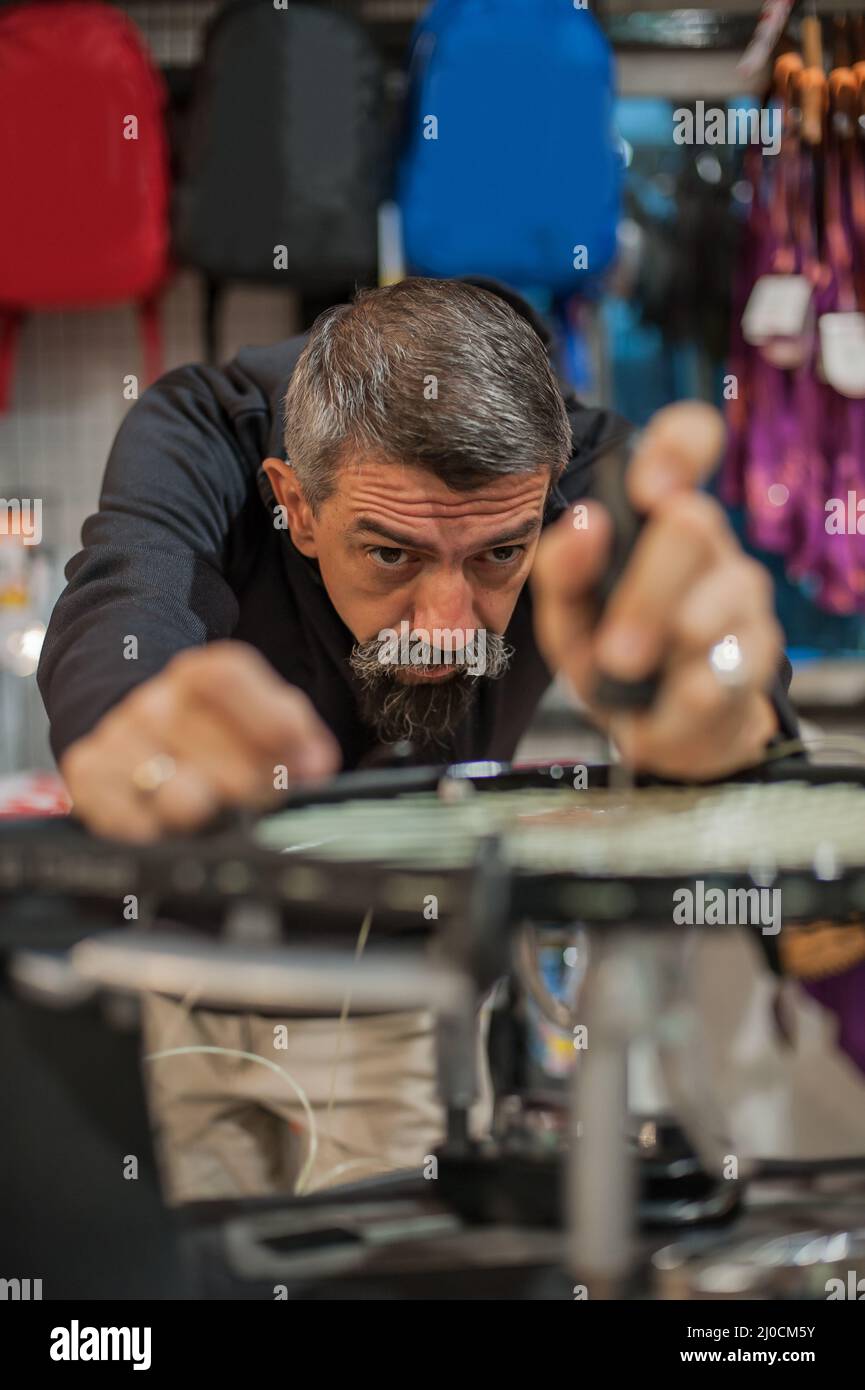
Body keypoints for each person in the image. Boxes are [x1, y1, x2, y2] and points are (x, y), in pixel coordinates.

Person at [38, 277, 793, 1200]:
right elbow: (126, 594)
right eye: (391, 552)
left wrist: (729, 718)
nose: (444, 624)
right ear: (297, 505)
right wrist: (131, 727)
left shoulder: (589, 484)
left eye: (496, 555)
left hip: (405, 997)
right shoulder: (208, 431)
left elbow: (713, 662)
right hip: (178, 980)